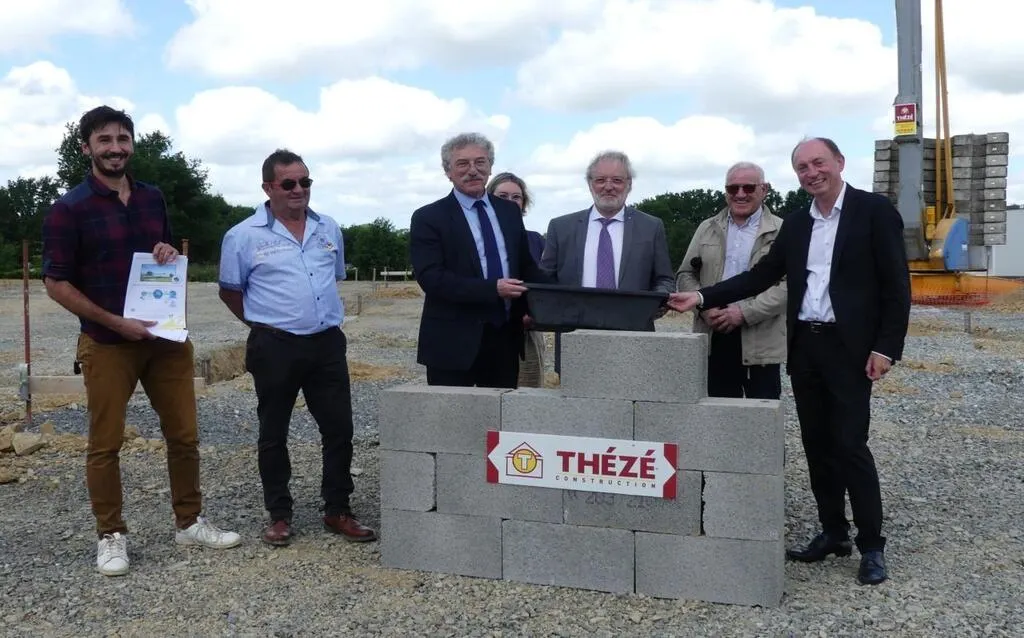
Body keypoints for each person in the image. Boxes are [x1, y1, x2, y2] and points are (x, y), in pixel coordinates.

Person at [667, 137, 911, 586]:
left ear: (839, 162)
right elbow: (760, 276)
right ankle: (833, 531)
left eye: (818, 163)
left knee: (850, 445)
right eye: (802, 167)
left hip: (851, 349)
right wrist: (701, 296)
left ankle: (871, 545)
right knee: (816, 444)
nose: (811, 172)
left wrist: (886, 347)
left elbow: (897, 286)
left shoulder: (874, 212)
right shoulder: (797, 225)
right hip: (805, 348)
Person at [41, 105, 241, 577]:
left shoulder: (153, 198)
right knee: (105, 443)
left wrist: (167, 252)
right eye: (104, 140)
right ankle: (110, 535)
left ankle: (189, 522)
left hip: (165, 340)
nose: (115, 148)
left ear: (132, 144)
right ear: (87, 146)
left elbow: (161, 255)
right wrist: (115, 322)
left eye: (123, 139)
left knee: (185, 435)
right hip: (107, 344)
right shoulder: (68, 208)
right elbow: (56, 283)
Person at [218, 149, 376, 547]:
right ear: (268, 187)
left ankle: (338, 509)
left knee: (339, 428)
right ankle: (280, 515)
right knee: (274, 432)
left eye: (305, 181)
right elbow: (230, 291)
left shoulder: (328, 228)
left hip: (326, 344)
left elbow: (332, 278)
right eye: (288, 183)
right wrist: (262, 322)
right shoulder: (243, 236)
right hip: (275, 346)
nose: (298, 189)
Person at [410, 133, 550, 388]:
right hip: (452, 344)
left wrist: (563, 291)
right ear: (448, 171)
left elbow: (526, 267)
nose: (473, 170)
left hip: (504, 339)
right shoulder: (428, 217)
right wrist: (493, 289)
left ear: (489, 167)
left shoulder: (508, 212)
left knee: (496, 422)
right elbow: (431, 278)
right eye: (463, 163)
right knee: (452, 419)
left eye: (480, 162)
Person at [676, 161, 786, 399]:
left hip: (760, 338)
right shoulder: (707, 228)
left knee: (761, 418)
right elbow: (685, 274)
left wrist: (745, 312)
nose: (740, 194)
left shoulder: (782, 230)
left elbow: (788, 286)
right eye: (732, 188)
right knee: (716, 416)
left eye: (748, 187)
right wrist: (704, 306)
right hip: (713, 334)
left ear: (764, 190)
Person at [539, 150, 675, 329]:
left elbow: (665, 279)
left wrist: (652, 304)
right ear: (590, 184)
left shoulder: (651, 227)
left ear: (629, 184)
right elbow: (545, 280)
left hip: (635, 331)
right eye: (600, 180)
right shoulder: (561, 227)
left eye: (617, 180)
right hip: (574, 332)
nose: (608, 186)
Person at [487, 172, 546, 388]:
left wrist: (535, 313)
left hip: (527, 334)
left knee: (527, 396)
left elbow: (544, 282)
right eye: (502, 196)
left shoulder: (535, 240)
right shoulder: (478, 238)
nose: (510, 203)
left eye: (516, 197)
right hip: (487, 331)